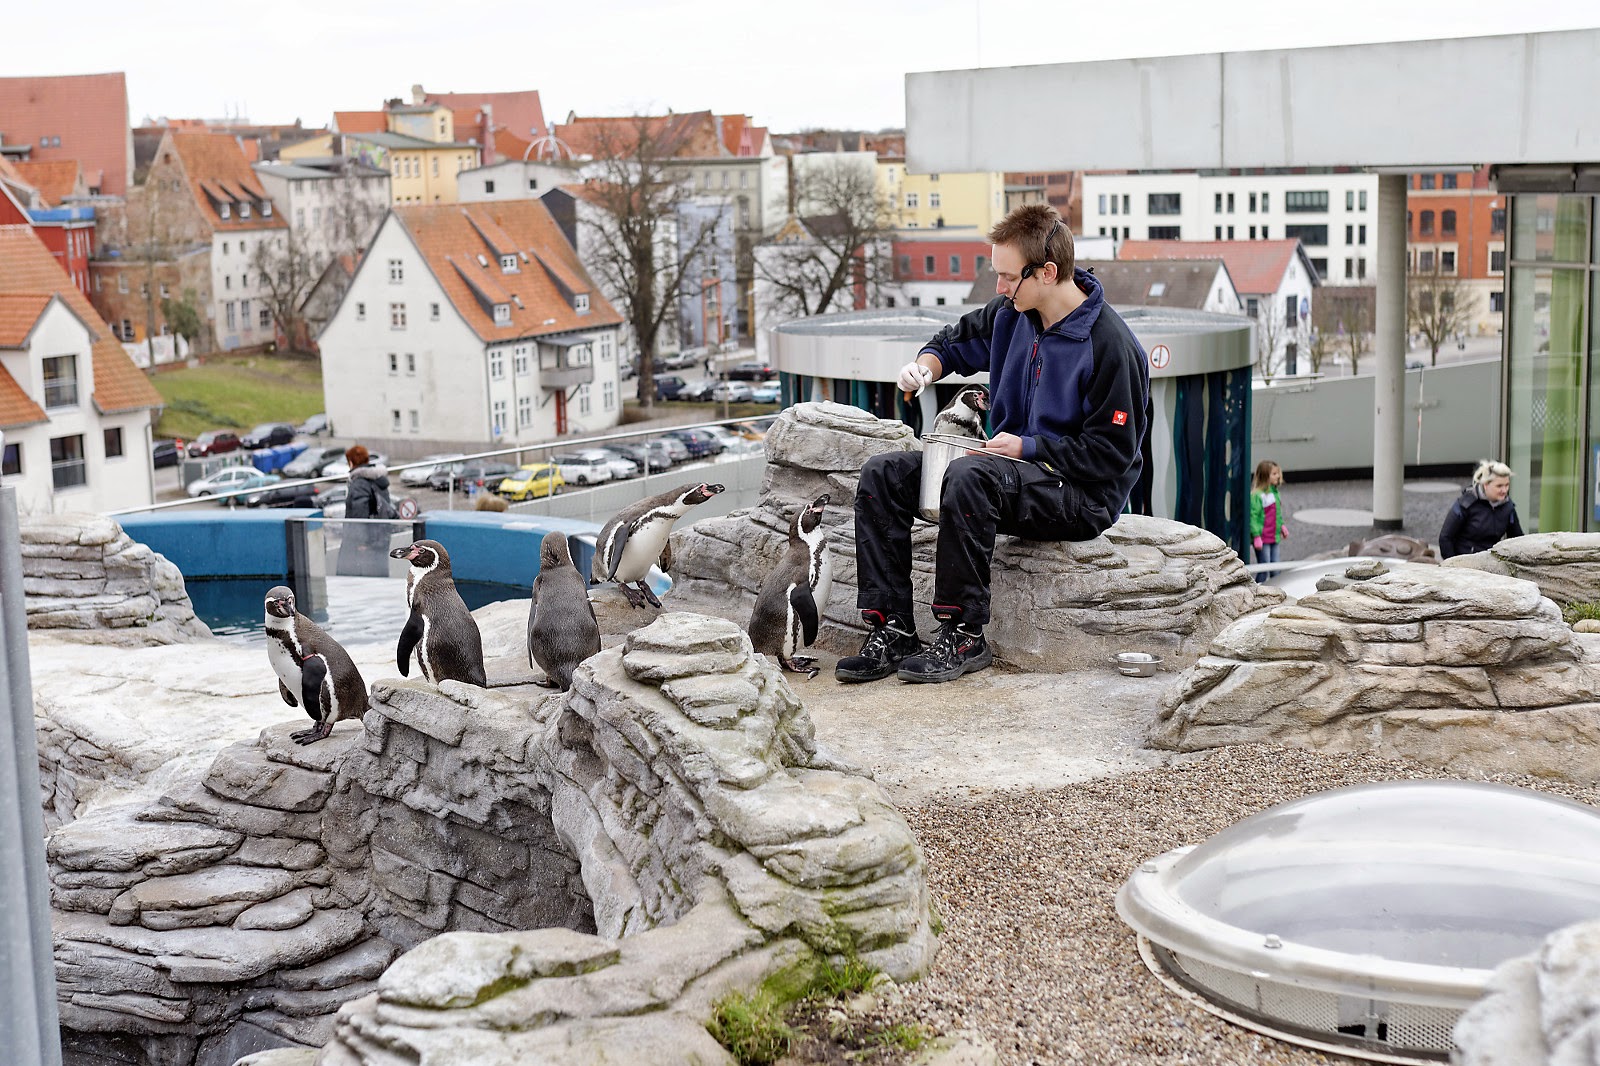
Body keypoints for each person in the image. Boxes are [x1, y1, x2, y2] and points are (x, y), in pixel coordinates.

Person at [836, 203, 1151, 686]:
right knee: (883, 475)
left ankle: (964, 634)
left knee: (969, 474)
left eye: (1007, 277)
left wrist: (1028, 448)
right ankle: (893, 629)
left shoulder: (1111, 346)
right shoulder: (1013, 314)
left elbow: (1111, 456)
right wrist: (925, 366)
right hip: (1005, 473)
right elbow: (954, 341)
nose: (999, 288)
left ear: (1047, 272)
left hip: (1078, 494)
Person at [1439, 459, 1524, 559]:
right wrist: (1452, 565)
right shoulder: (1466, 504)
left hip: (1491, 561)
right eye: (1499, 486)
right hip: (1465, 562)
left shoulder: (1508, 507)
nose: (1504, 490)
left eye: (1507, 485)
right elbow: (1445, 537)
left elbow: (1517, 539)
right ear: (1486, 485)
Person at [337, 444, 396, 576]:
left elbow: (359, 513)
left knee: (354, 578)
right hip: (380, 537)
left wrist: (361, 541)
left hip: (363, 543)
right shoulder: (378, 481)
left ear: (351, 462)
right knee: (377, 576)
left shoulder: (359, 484)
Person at [1249, 460, 1289, 583]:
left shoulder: (1274, 493)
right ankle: (1257, 590)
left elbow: (1276, 513)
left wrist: (1281, 526)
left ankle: (1277, 590)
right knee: (1264, 568)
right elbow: (1253, 516)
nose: (1278, 476)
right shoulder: (1257, 495)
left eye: (1278, 473)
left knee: (1276, 567)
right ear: (1265, 476)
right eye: (1274, 473)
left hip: (1274, 536)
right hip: (1263, 538)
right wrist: (1256, 535)